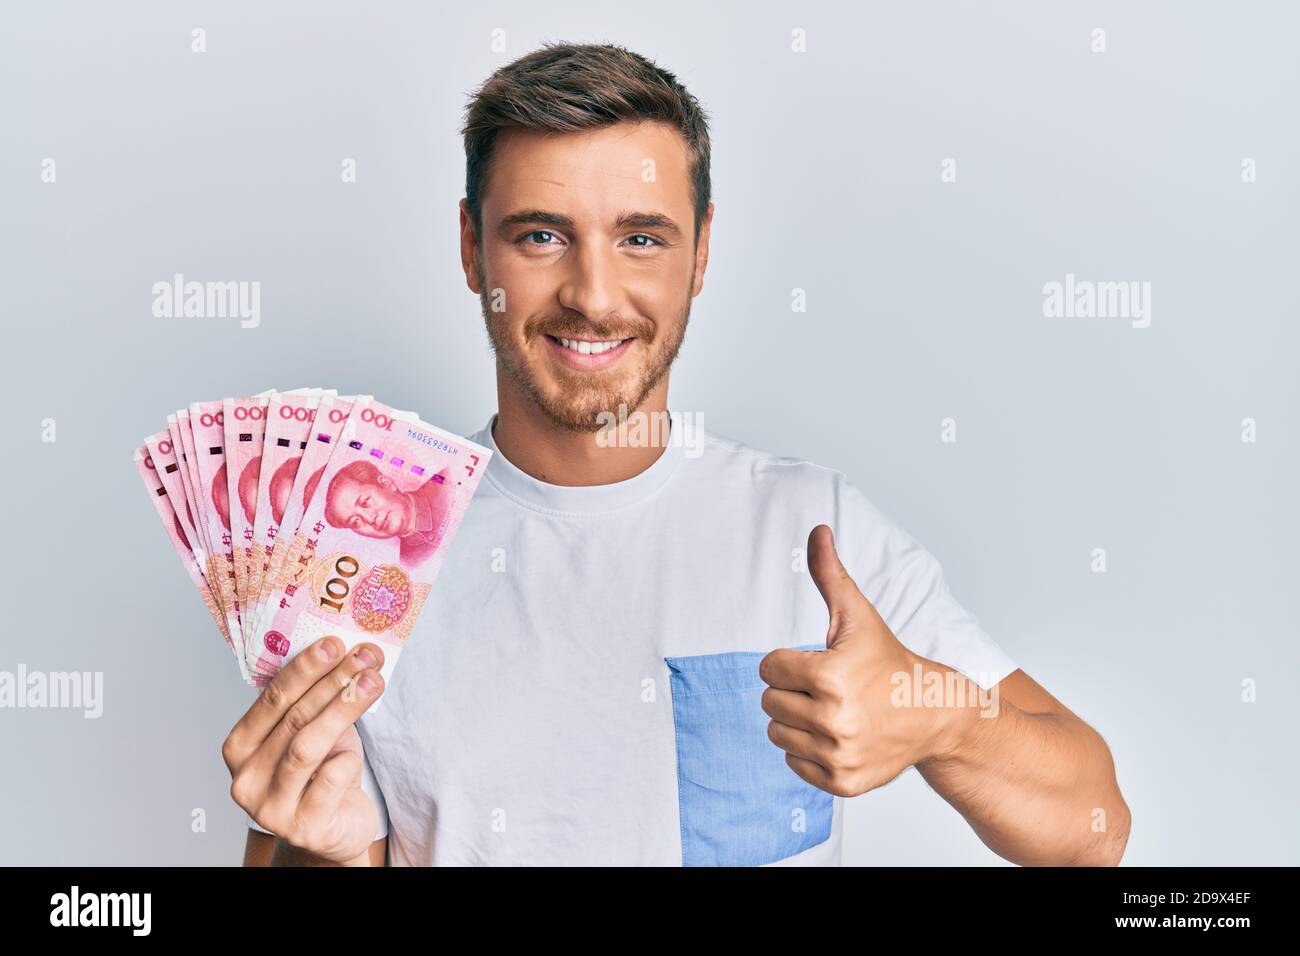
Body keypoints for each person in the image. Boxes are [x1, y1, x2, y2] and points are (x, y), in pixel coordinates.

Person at [224, 42, 1130, 867]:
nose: (593, 294)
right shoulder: (360, 561)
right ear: (472, 248)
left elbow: (1095, 827)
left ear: (700, 256)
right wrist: (328, 857)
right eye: (540, 235)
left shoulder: (815, 531)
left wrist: (942, 720)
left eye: (642, 238)